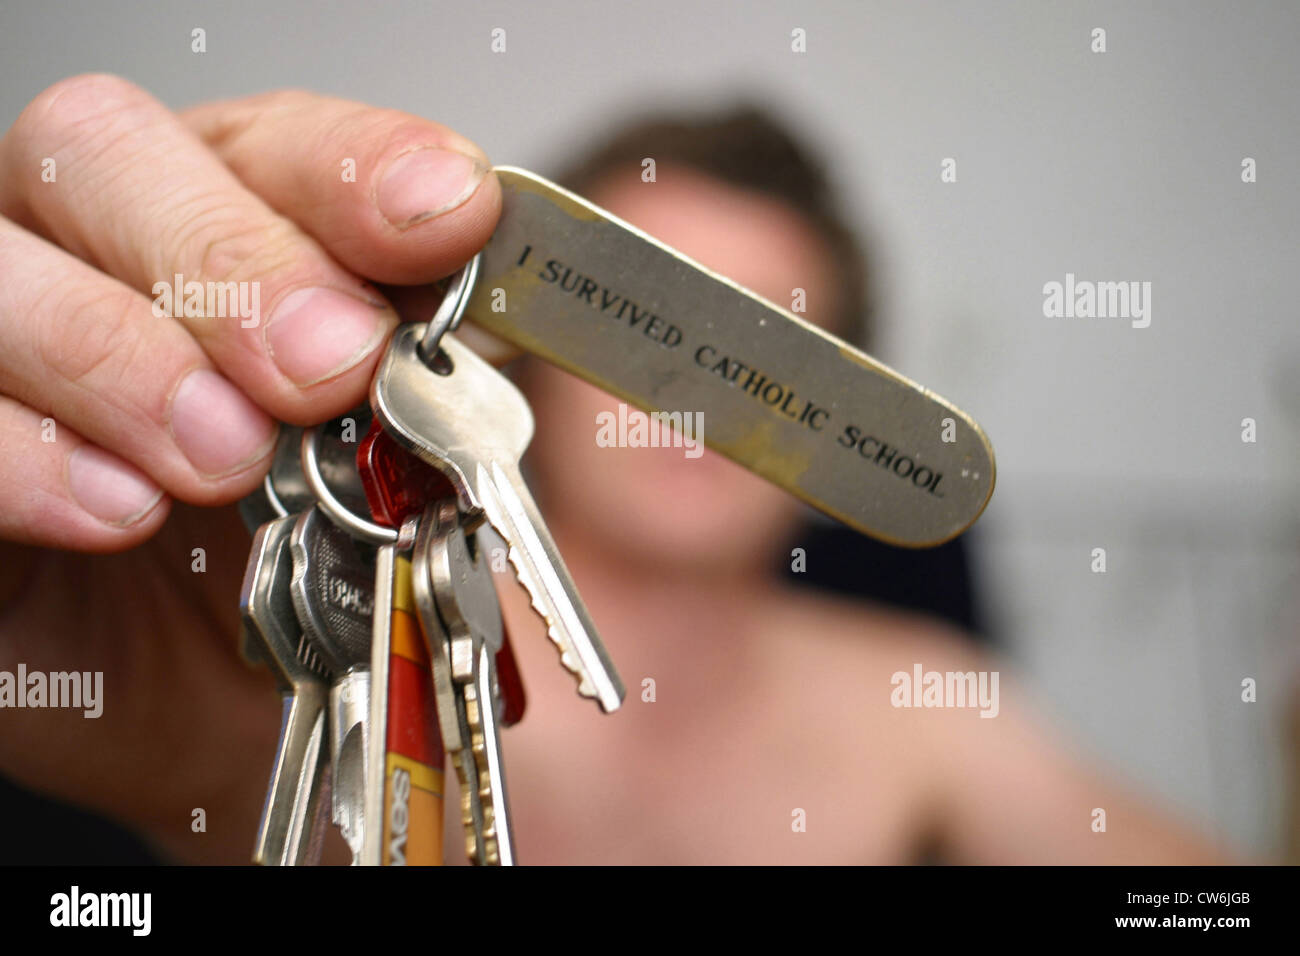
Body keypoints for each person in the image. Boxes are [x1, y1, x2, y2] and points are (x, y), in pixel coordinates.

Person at [0, 76, 1231, 864]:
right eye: (638, 331)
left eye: (762, 347)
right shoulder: (332, 642)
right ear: (523, 363)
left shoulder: (927, 701)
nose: (691, 394)